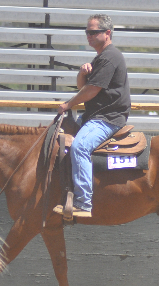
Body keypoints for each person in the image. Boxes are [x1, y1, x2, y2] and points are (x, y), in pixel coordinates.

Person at [53, 14, 131, 218]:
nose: (88, 35)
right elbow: (85, 87)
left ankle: (83, 202)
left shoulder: (109, 57)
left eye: (93, 32)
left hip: (106, 118)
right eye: (87, 32)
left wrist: (68, 104)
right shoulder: (101, 58)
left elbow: (92, 90)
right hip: (94, 116)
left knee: (80, 146)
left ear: (107, 33)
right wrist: (82, 74)